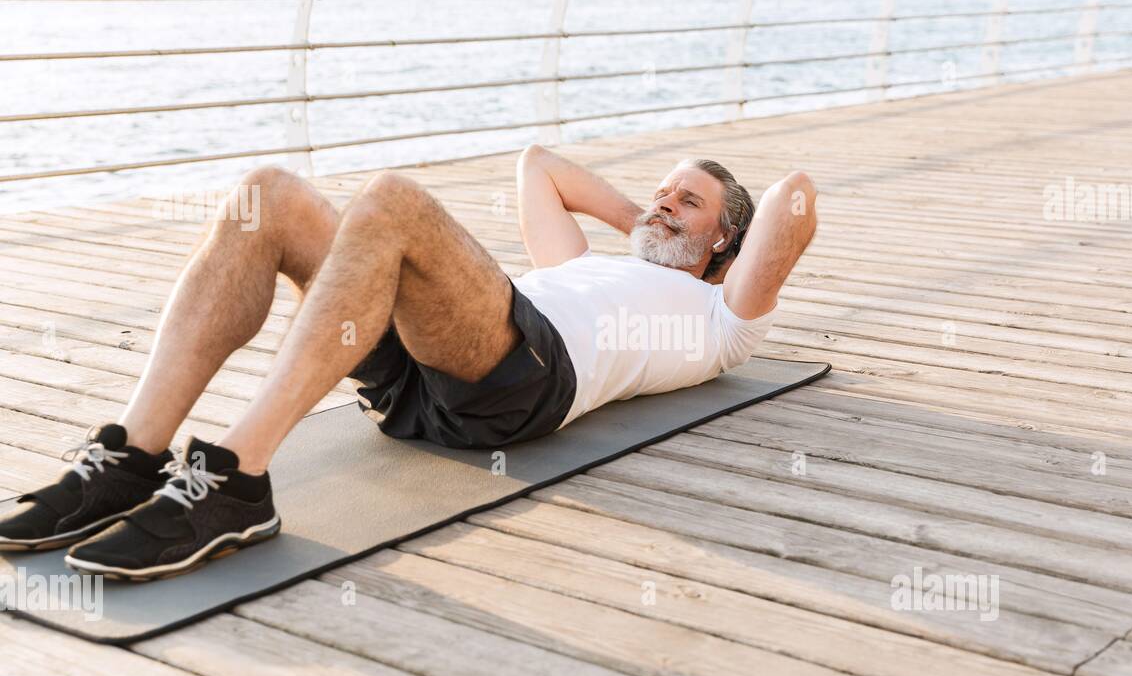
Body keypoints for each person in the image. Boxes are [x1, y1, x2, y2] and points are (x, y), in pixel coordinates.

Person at [0, 146, 817, 580]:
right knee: (271, 192)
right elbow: (539, 164)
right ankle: (132, 457)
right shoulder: (582, 259)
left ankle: (236, 481)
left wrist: (706, 251)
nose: (666, 201)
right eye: (663, 189)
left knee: (394, 199)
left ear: (725, 240)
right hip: (429, 369)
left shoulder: (723, 318)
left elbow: (795, 194)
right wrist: (643, 218)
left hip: (524, 375)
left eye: (689, 201)